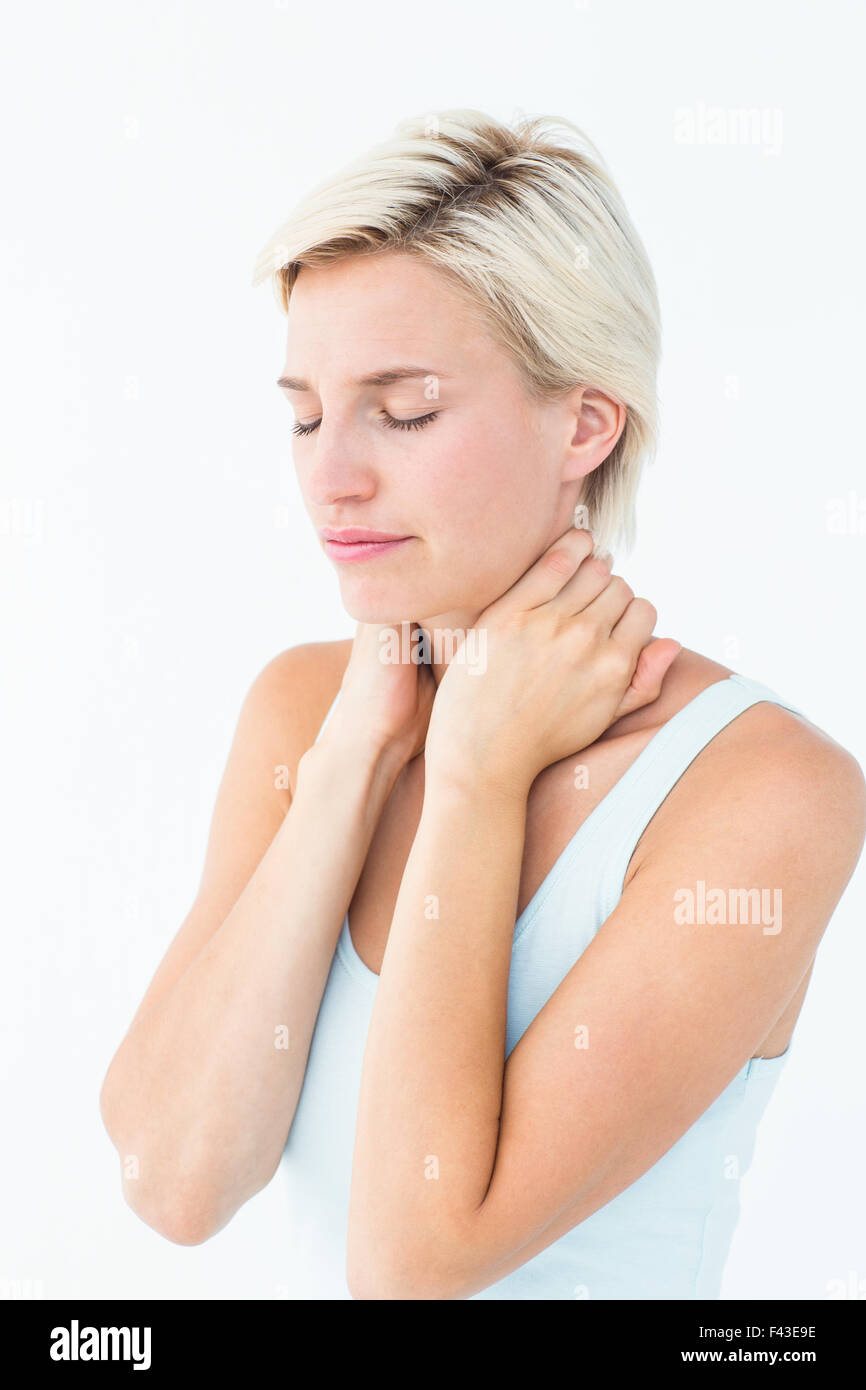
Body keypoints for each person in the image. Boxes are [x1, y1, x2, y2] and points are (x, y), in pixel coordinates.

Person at [99, 108, 865, 1299]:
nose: (329, 474)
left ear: (585, 423)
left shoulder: (759, 789)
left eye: (403, 410)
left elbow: (412, 1267)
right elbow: (173, 1179)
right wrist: (359, 751)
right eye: (303, 412)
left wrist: (472, 774)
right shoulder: (307, 711)